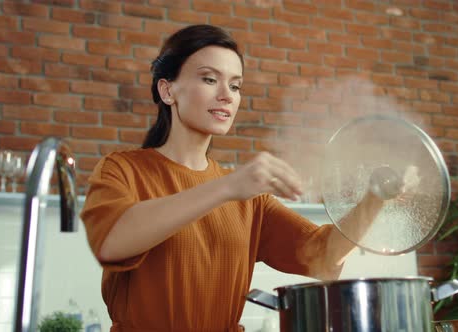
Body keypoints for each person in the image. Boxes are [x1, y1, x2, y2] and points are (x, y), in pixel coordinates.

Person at [80, 24, 402, 332]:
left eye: (235, 86)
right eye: (209, 80)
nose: (227, 95)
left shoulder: (250, 200)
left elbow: (323, 256)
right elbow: (111, 242)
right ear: (168, 90)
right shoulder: (122, 170)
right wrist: (228, 186)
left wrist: (376, 197)